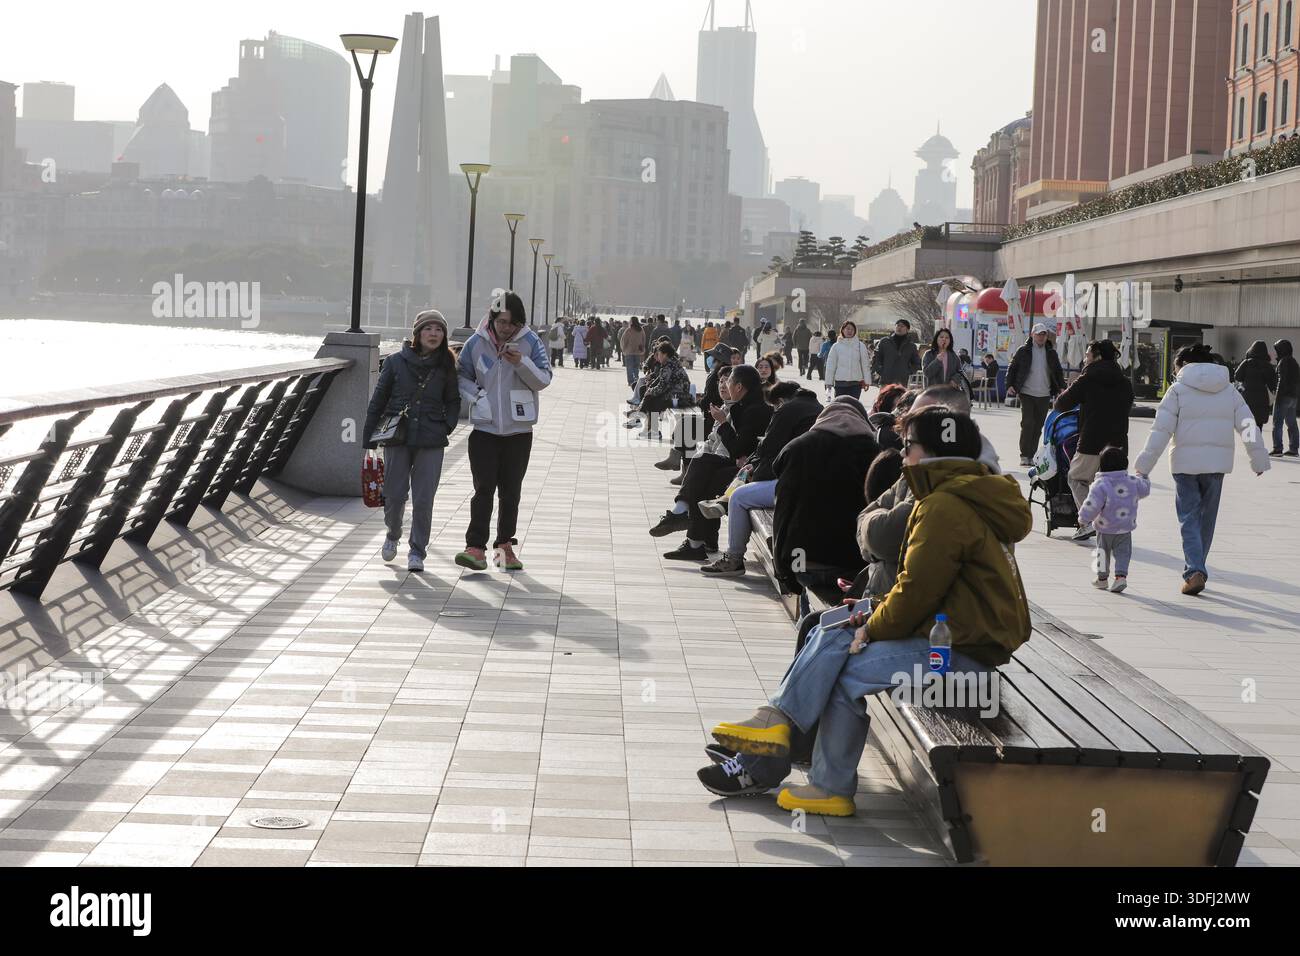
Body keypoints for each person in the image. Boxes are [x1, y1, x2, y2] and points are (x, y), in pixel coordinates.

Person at [699, 408, 1031, 810]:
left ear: (932, 452)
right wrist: (870, 610)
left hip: (961, 650)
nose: (902, 455)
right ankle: (779, 734)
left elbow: (917, 591)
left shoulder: (945, 505)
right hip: (956, 632)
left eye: (908, 446)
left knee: (847, 669)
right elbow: (929, 586)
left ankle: (823, 781)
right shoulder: (962, 492)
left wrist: (872, 626)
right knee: (833, 626)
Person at [1134, 344, 1270, 596]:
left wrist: (1144, 465)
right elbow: (1248, 424)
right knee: (1206, 520)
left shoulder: (1177, 390)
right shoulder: (1228, 390)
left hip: (1185, 465)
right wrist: (1258, 458)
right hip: (1216, 465)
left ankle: (1194, 570)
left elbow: (1160, 431)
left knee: (1189, 517)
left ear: (1183, 364)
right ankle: (1197, 567)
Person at [454, 292, 552, 572]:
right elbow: (462, 375)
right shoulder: (476, 342)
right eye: (502, 321)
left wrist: (520, 362)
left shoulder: (531, 341)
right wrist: (478, 395)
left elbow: (544, 379)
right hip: (484, 429)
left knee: (511, 492)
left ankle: (504, 549)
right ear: (492, 319)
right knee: (482, 489)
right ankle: (475, 548)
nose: (506, 328)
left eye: (513, 323)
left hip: (518, 431)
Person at [364, 309, 461, 572]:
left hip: (432, 438)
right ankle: (393, 533)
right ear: (417, 334)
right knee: (394, 495)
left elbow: (453, 400)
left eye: (439, 330)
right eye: (429, 329)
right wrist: (368, 438)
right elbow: (379, 399)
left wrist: (448, 425)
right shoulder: (395, 362)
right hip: (398, 436)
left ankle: (417, 551)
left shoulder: (447, 365)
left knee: (423, 498)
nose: (434, 334)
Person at [699, 381, 823, 576]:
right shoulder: (819, 409)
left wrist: (753, 470)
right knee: (739, 476)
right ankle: (723, 501)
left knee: (739, 497)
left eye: (774, 407)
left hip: (795, 485)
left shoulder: (787, 410)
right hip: (817, 484)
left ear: (780, 401)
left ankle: (734, 559)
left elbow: (769, 448)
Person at [650, 365, 771, 559]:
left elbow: (738, 448)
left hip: (750, 469)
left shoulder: (755, 409)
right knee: (703, 470)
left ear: (739, 386)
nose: (725, 385)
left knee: (703, 470)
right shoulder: (745, 404)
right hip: (740, 464)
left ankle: (688, 526)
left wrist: (723, 423)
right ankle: (697, 539)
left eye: (729, 381)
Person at [771, 396, 879, 609]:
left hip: (802, 558)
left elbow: (784, 511)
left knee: (808, 607)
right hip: (854, 562)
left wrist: (782, 568)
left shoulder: (797, 448)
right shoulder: (876, 454)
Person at [1052, 339, 1134, 541]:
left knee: (1076, 478)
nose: (1085, 358)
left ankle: (1089, 522)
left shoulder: (1088, 377)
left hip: (1092, 440)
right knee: (1110, 484)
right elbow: (1128, 404)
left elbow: (1061, 404)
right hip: (1118, 443)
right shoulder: (1124, 381)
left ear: (1097, 356)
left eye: (1087, 354)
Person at [1077, 445, 1150, 594]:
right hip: (1125, 527)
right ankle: (1120, 577)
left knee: (1102, 553)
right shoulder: (1132, 481)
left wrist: (1083, 518)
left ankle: (1102, 579)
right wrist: (1143, 476)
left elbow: (1092, 504)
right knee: (1123, 553)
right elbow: (1145, 489)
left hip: (1104, 528)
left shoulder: (1101, 484)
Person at [1006, 323, 1066, 467]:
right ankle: (1024, 455)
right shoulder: (1023, 351)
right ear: (1032, 335)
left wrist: (1061, 387)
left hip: (1044, 394)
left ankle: (1031, 455)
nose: (1041, 337)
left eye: (1043, 334)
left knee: (1038, 426)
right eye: (1038, 334)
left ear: (1046, 336)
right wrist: (1009, 385)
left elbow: (1057, 371)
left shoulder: (1051, 352)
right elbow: (1012, 368)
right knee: (1028, 424)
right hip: (1026, 392)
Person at [824, 321, 872, 401]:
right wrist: (828, 382)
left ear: (855, 331)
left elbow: (865, 364)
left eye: (852, 329)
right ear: (842, 330)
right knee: (840, 407)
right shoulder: (836, 346)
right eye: (848, 329)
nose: (850, 331)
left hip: (856, 384)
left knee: (853, 407)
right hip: (840, 384)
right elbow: (830, 365)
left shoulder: (860, 346)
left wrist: (867, 381)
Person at [1235, 340, 1276, 430]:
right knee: (1258, 422)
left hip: (1247, 396)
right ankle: (1258, 441)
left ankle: (1249, 442)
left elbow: (1237, 376)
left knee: (1248, 422)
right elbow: (1273, 384)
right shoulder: (1267, 366)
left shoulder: (1246, 363)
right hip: (1262, 396)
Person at [871, 319, 921, 387]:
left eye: (902, 326)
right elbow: (876, 358)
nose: (899, 328)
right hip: (885, 380)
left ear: (907, 330)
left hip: (902, 382)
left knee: (900, 398)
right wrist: (881, 371)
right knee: (884, 397)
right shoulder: (884, 342)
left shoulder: (911, 346)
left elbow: (917, 363)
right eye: (897, 325)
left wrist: (908, 372)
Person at [1271, 339, 1299, 456]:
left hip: (1283, 397)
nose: (1276, 352)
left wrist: (1277, 397)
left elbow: (1281, 381)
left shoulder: (1283, 362)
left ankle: (1278, 448)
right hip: (1293, 397)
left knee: (1277, 423)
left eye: (1277, 350)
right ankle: (1294, 449)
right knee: (1292, 424)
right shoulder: (1294, 362)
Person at [620, 316, 646, 388]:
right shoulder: (641, 330)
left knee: (629, 367)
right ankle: (636, 379)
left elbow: (623, 340)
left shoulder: (629, 330)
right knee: (636, 366)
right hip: (638, 351)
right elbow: (644, 340)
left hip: (629, 352)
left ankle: (630, 381)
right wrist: (643, 348)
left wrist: (623, 349)